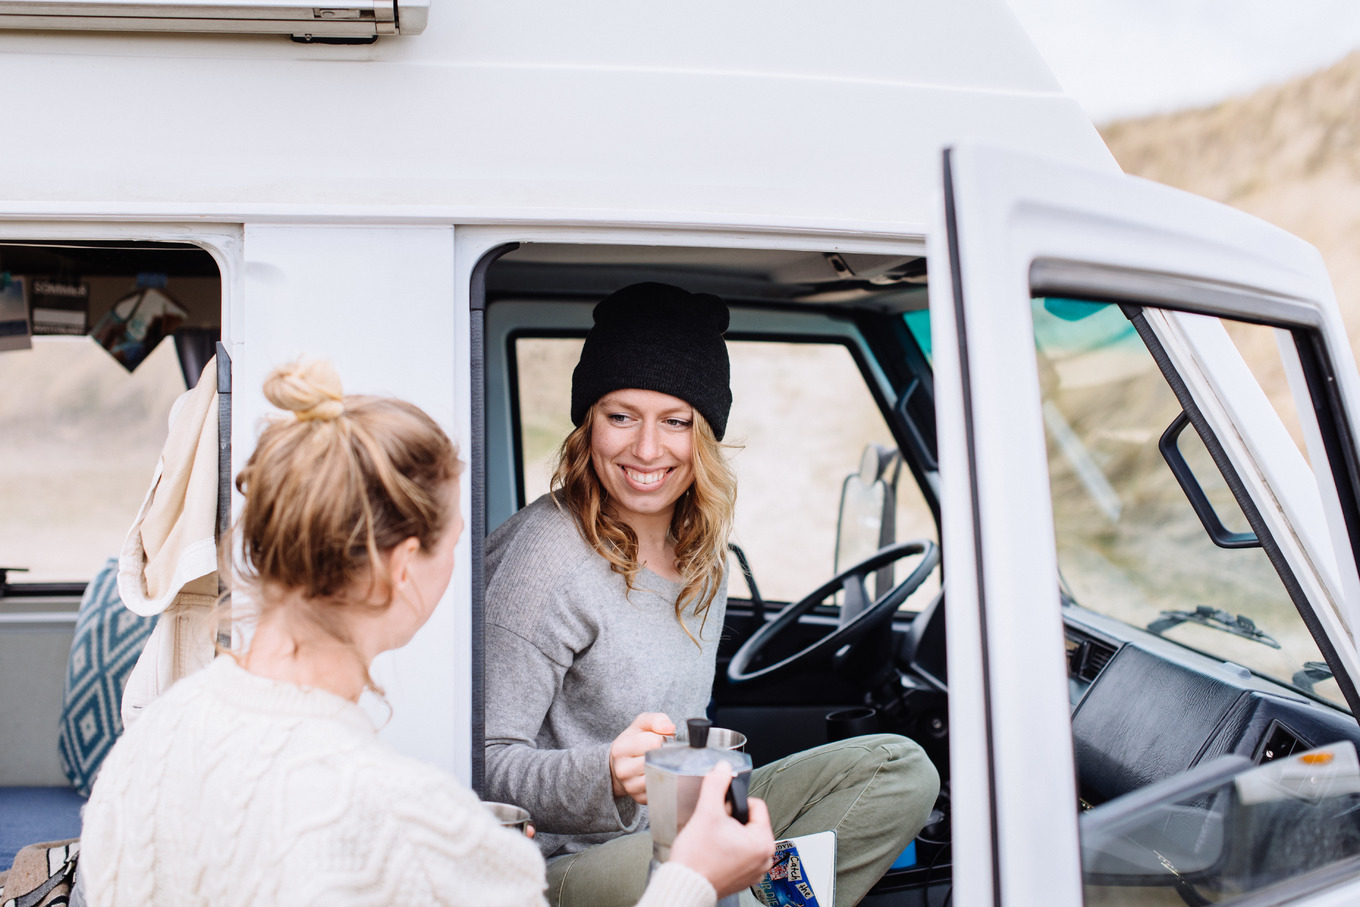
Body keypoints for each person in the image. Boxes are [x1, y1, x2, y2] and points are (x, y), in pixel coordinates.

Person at [78, 359, 774, 907]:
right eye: (457, 544)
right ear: (404, 571)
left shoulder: (148, 742)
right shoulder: (420, 828)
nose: (476, 560)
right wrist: (693, 878)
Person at [484, 283, 941, 907]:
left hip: (676, 824)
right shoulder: (549, 554)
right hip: (564, 863)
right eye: (621, 416)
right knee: (727, 887)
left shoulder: (705, 559)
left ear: (704, 435)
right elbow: (481, 762)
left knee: (898, 768)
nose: (647, 450)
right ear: (587, 422)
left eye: (675, 422)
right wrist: (607, 774)